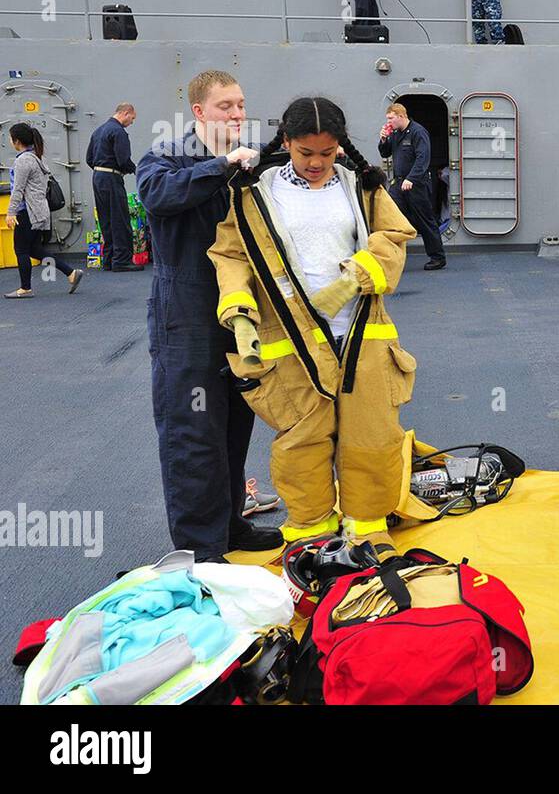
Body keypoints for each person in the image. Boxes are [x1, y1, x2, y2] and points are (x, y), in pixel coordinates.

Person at [210, 97, 416, 555]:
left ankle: (366, 531)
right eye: (306, 153)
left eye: (327, 153)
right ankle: (311, 535)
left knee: (373, 438)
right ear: (286, 142)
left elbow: (396, 236)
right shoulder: (253, 192)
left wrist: (354, 281)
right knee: (302, 444)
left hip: (363, 336)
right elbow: (231, 254)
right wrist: (239, 312)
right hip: (291, 341)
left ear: (339, 147)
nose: (317, 163)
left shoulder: (361, 185)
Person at [136, 70, 281, 561]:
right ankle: (201, 547)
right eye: (226, 107)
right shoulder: (164, 159)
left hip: (240, 314)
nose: (238, 114)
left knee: (235, 425)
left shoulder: (252, 164)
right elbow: (157, 195)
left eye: (241, 105)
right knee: (193, 432)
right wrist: (220, 166)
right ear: (199, 112)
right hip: (188, 317)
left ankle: (231, 525)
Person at [4, 124, 83, 298]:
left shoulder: (23, 160)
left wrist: (11, 213)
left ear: (16, 141)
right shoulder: (37, 156)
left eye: (10, 138)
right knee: (34, 250)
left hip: (28, 212)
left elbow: (18, 190)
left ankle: (25, 288)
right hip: (39, 211)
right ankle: (71, 273)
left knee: (21, 250)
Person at [378, 103, 446, 271]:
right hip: (399, 183)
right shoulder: (395, 133)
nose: (388, 122)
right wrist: (383, 139)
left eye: (391, 118)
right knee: (390, 218)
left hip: (416, 184)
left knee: (425, 220)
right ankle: (390, 258)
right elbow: (385, 153)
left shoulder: (418, 132)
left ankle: (437, 257)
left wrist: (411, 179)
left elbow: (423, 158)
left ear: (401, 116)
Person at [87, 103, 142, 272]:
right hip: (112, 177)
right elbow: (123, 160)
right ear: (126, 113)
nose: (131, 123)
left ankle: (109, 259)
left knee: (106, 220)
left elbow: (89, 158)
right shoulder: (119, 132)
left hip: (97, 177)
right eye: (132, 119)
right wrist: (136, 170)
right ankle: (122, 260)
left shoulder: (98, 131)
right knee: (120, 219)